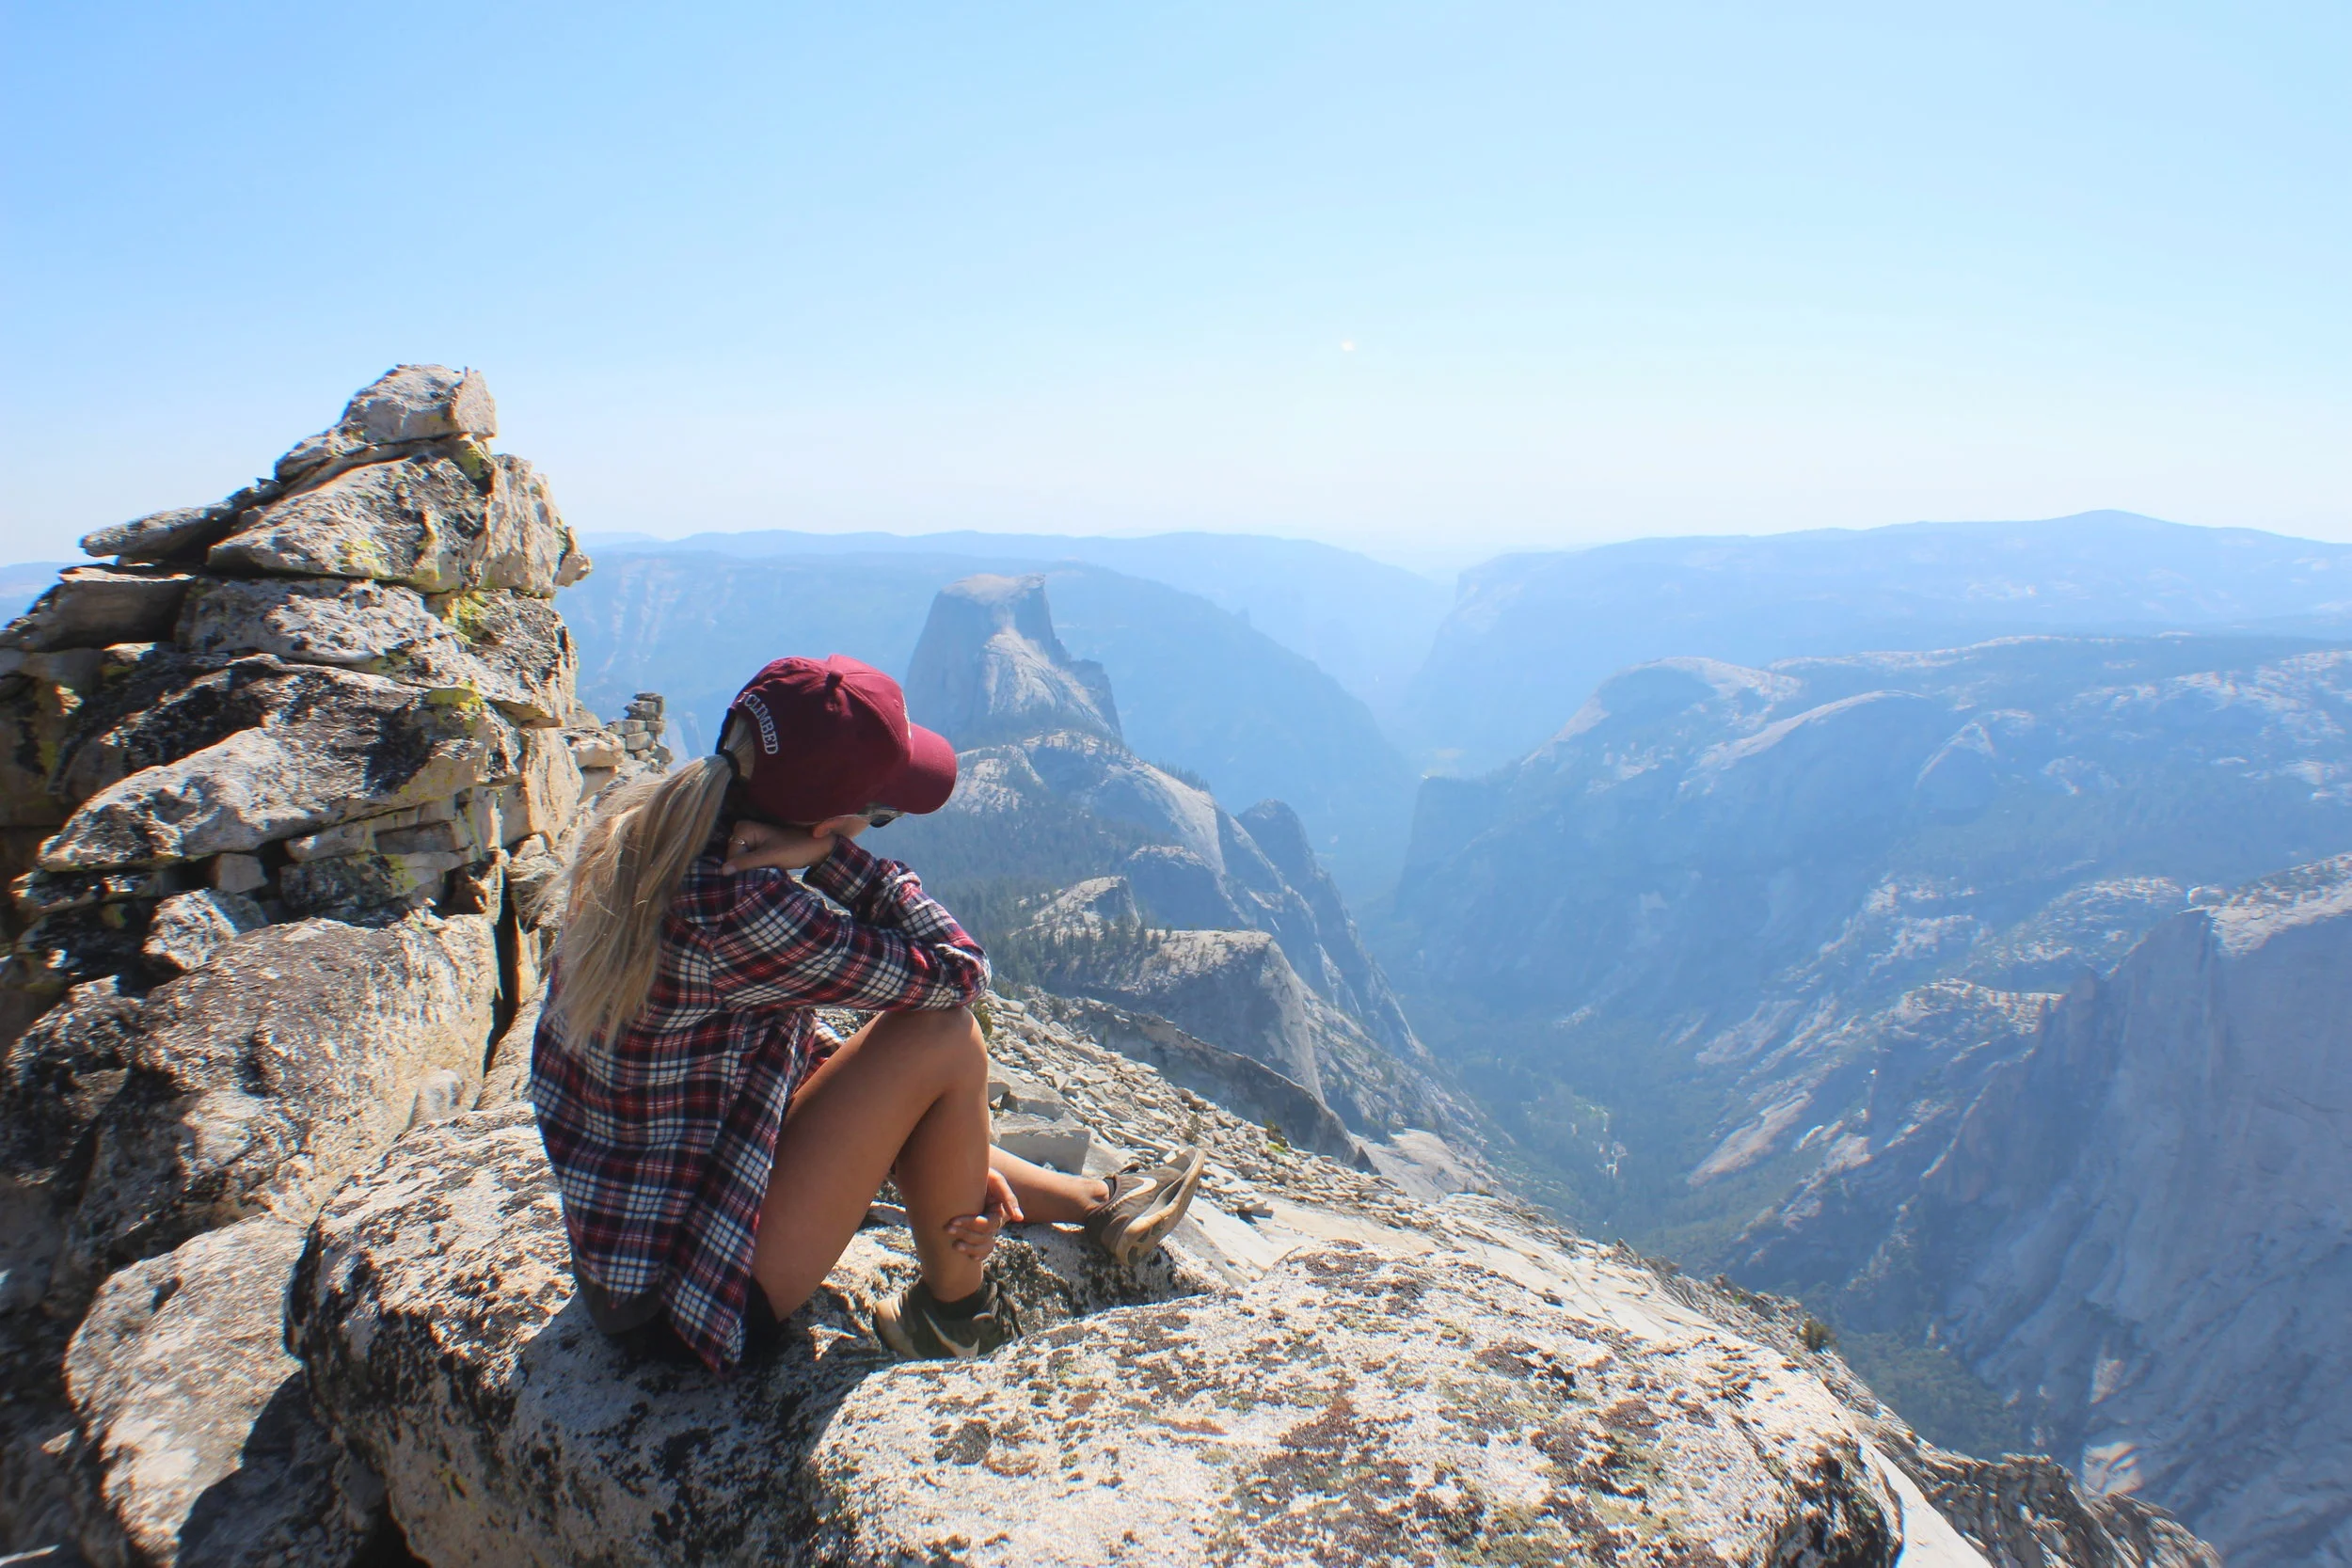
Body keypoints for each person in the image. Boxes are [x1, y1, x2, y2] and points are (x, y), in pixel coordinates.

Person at [530, 654, 1206, 1371]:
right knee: (941, 1036)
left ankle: (1096, 1200)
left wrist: (952, 1150)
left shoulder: (654, 823)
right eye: (876, 817)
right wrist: (833, 860)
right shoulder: (741, 907)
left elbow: (748, 1055)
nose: (876, 830)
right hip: (689, 1297)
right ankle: (952, 1317)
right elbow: (961, 972)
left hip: (641, 1244)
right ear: (831, 820)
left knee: (903, 1079)